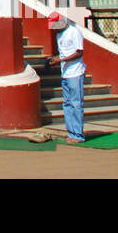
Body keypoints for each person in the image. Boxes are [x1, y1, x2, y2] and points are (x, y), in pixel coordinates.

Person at [47, 11, 86, 143]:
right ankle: (71, 132)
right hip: (65, 73)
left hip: (75, 72)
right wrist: (55, 59)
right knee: (67, 104)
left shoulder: (74, 32)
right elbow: (63, 54)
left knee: (76, 103)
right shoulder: (59, 35)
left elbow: (78, 52)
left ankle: (78, 134)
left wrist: (61, 60)